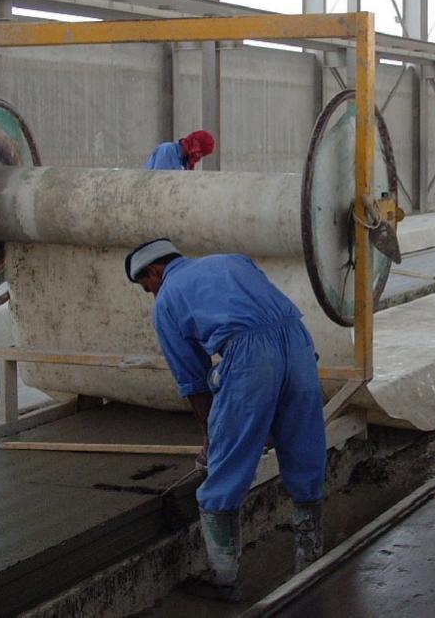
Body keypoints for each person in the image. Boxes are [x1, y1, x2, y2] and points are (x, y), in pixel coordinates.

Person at [125, 238, 327, 601]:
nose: (151, 295)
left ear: (155, 272)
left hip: (251, 356)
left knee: (225, 468)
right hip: (298, 343)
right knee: (304, 449)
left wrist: (210, 438)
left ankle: (224, 580)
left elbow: (192, 379)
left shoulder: (168, 298)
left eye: (147, 287)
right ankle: (311, 559)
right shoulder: (233, 259)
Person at [145, 129, 216, 170]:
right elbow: (161, 181)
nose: (199, 157)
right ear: (195, 146)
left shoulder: (187, 162)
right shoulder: (167, 150)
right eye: (201, 153)